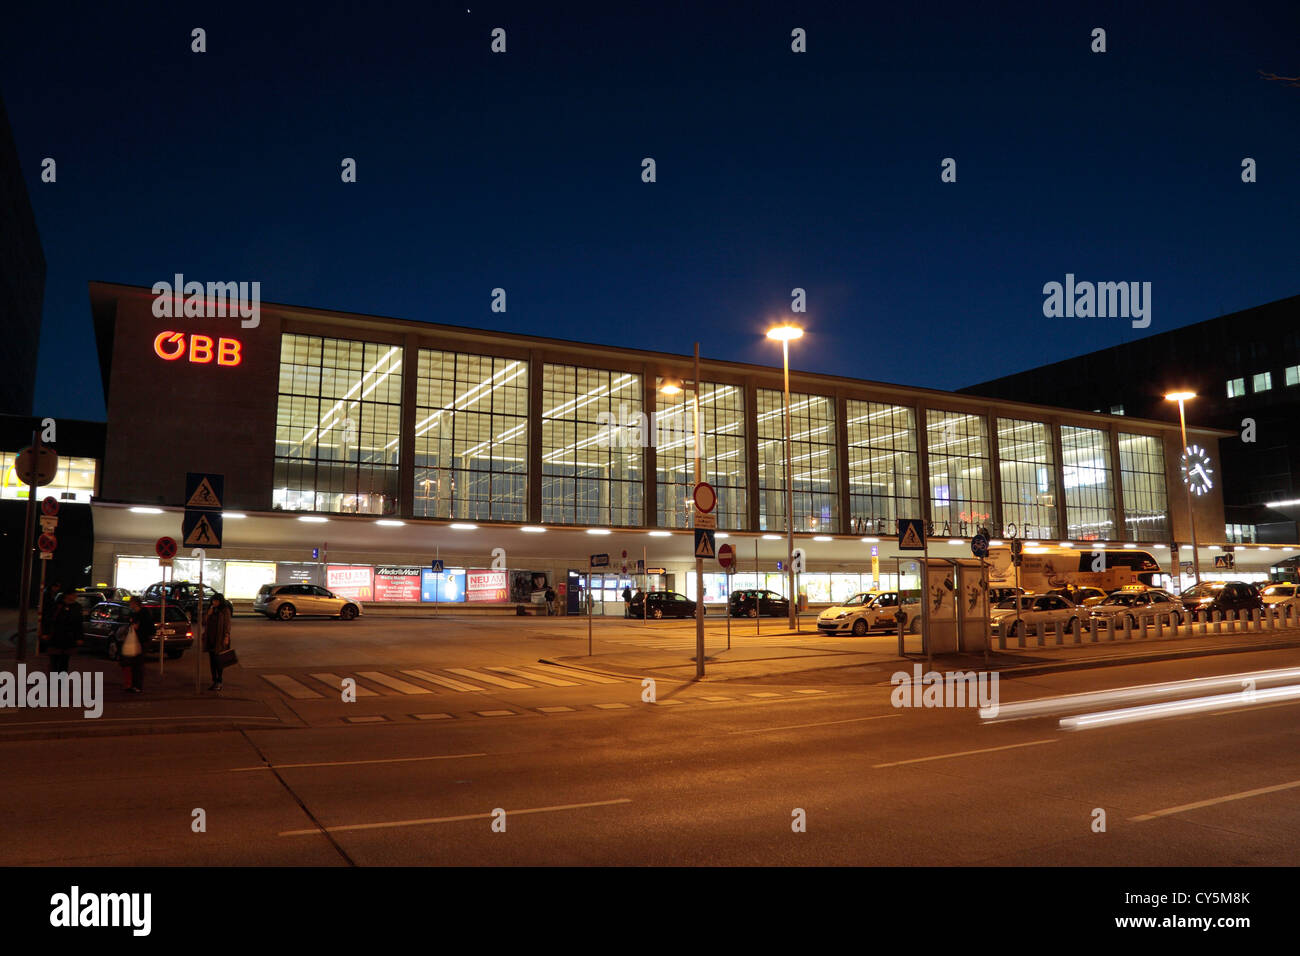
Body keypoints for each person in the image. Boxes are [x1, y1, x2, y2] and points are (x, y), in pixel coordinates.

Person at [47, 591, 83, 674]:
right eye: (73, 594)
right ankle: (55, 678)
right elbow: (50, 620)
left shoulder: (77, 607)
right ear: (67, 595)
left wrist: (79, 637)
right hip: (57, 636)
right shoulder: (58, 606)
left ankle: (62, 679)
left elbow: (78, 623)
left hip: (68, 637)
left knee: (65, 660)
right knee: (55, 660)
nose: (75, 596)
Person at [203, 591, 233, 691]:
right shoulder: (211, 609)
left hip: (219, 639)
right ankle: (214, 680)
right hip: (210, 639)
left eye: (215, 601)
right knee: (212, 660)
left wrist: (226, 636)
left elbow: (227, 624)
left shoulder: (225, 610)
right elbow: (205, 621)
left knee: (219, 660)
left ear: (220, 601)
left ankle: (219, 681)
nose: (214, 603)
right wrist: (209, 613)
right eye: (213, 601)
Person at [122, 597, 152, 693]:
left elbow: (148, 627)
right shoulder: (134, 614)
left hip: (142, 641)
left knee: (138, 663)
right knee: (133, 663)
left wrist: (138, 627)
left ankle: (138, 686)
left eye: (131, 603)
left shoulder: (144, 614)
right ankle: (132, 684)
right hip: (134, 641)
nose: (130, 605)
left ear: (135, 603)